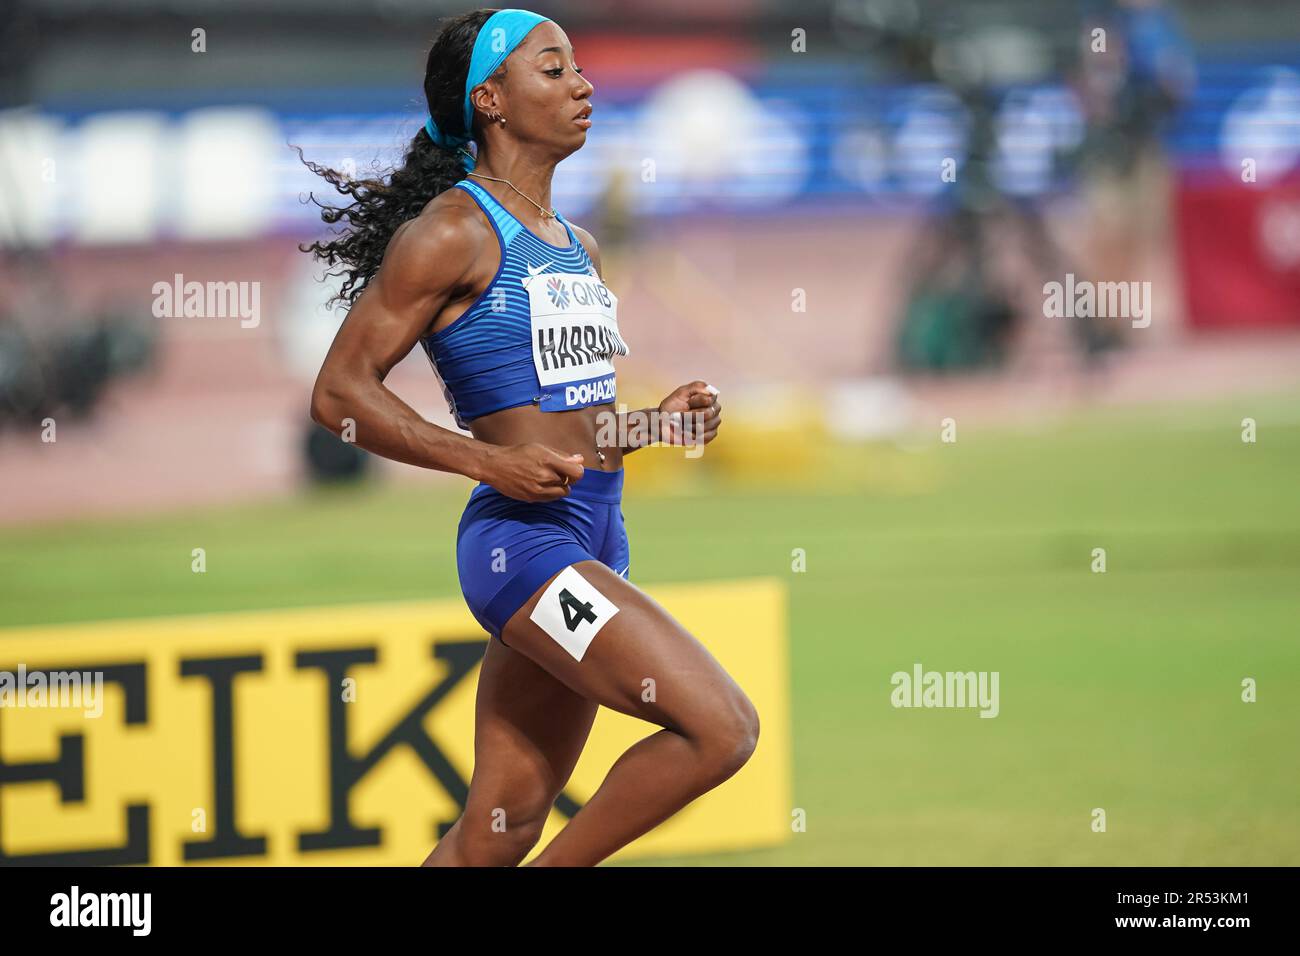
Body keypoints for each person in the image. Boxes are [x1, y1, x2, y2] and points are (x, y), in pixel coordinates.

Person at [302, 8, 758, 867]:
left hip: (597, 536)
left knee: (494, 834)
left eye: (578, 68)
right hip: (524, 550)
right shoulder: (451, 233)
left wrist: (662, 422)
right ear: (492, 100)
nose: (583, 85)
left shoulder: (576, 246)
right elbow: (338, 394)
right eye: (554, 70)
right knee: (722, 729)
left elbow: (584, 430)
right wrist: (486, 460)